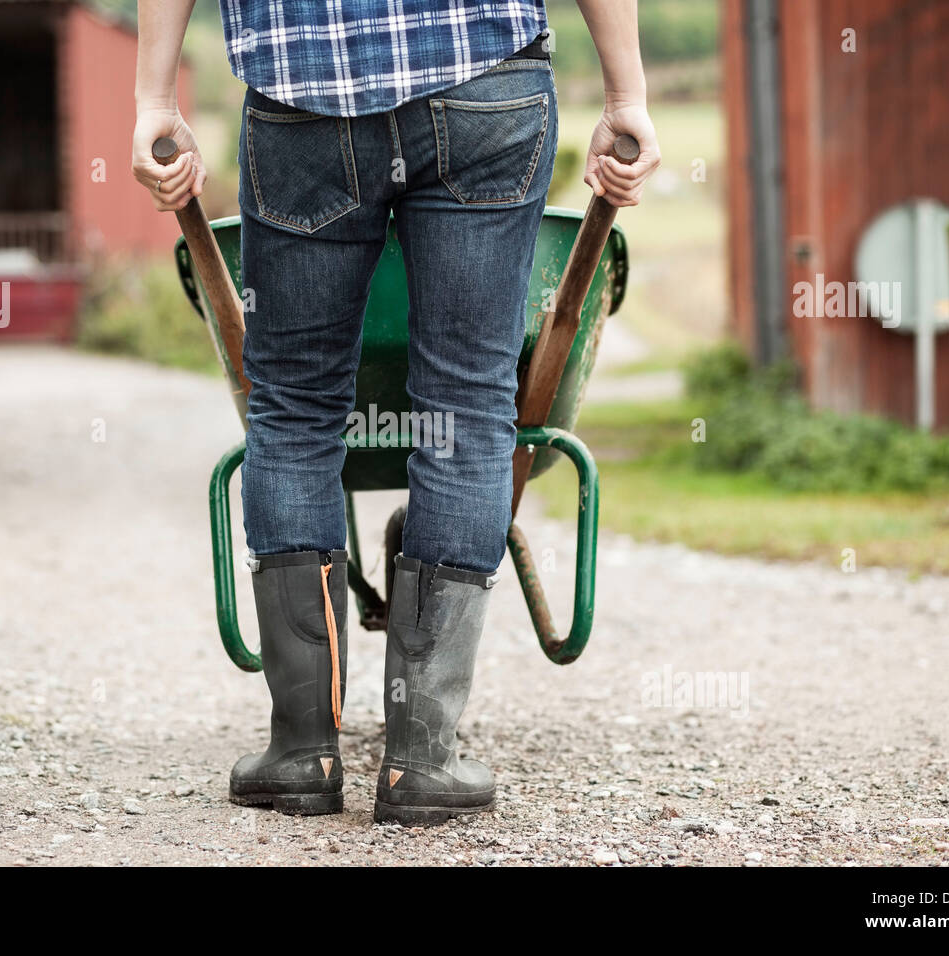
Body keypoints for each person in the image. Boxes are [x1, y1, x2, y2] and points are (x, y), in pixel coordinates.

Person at [133, 0, 659, 826]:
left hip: (304, 93)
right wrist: (626, 94)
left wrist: (155, 104)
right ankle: (422, 761)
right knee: (470, 401)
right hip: (484, 85)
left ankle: (301, 753)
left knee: (296, 405)